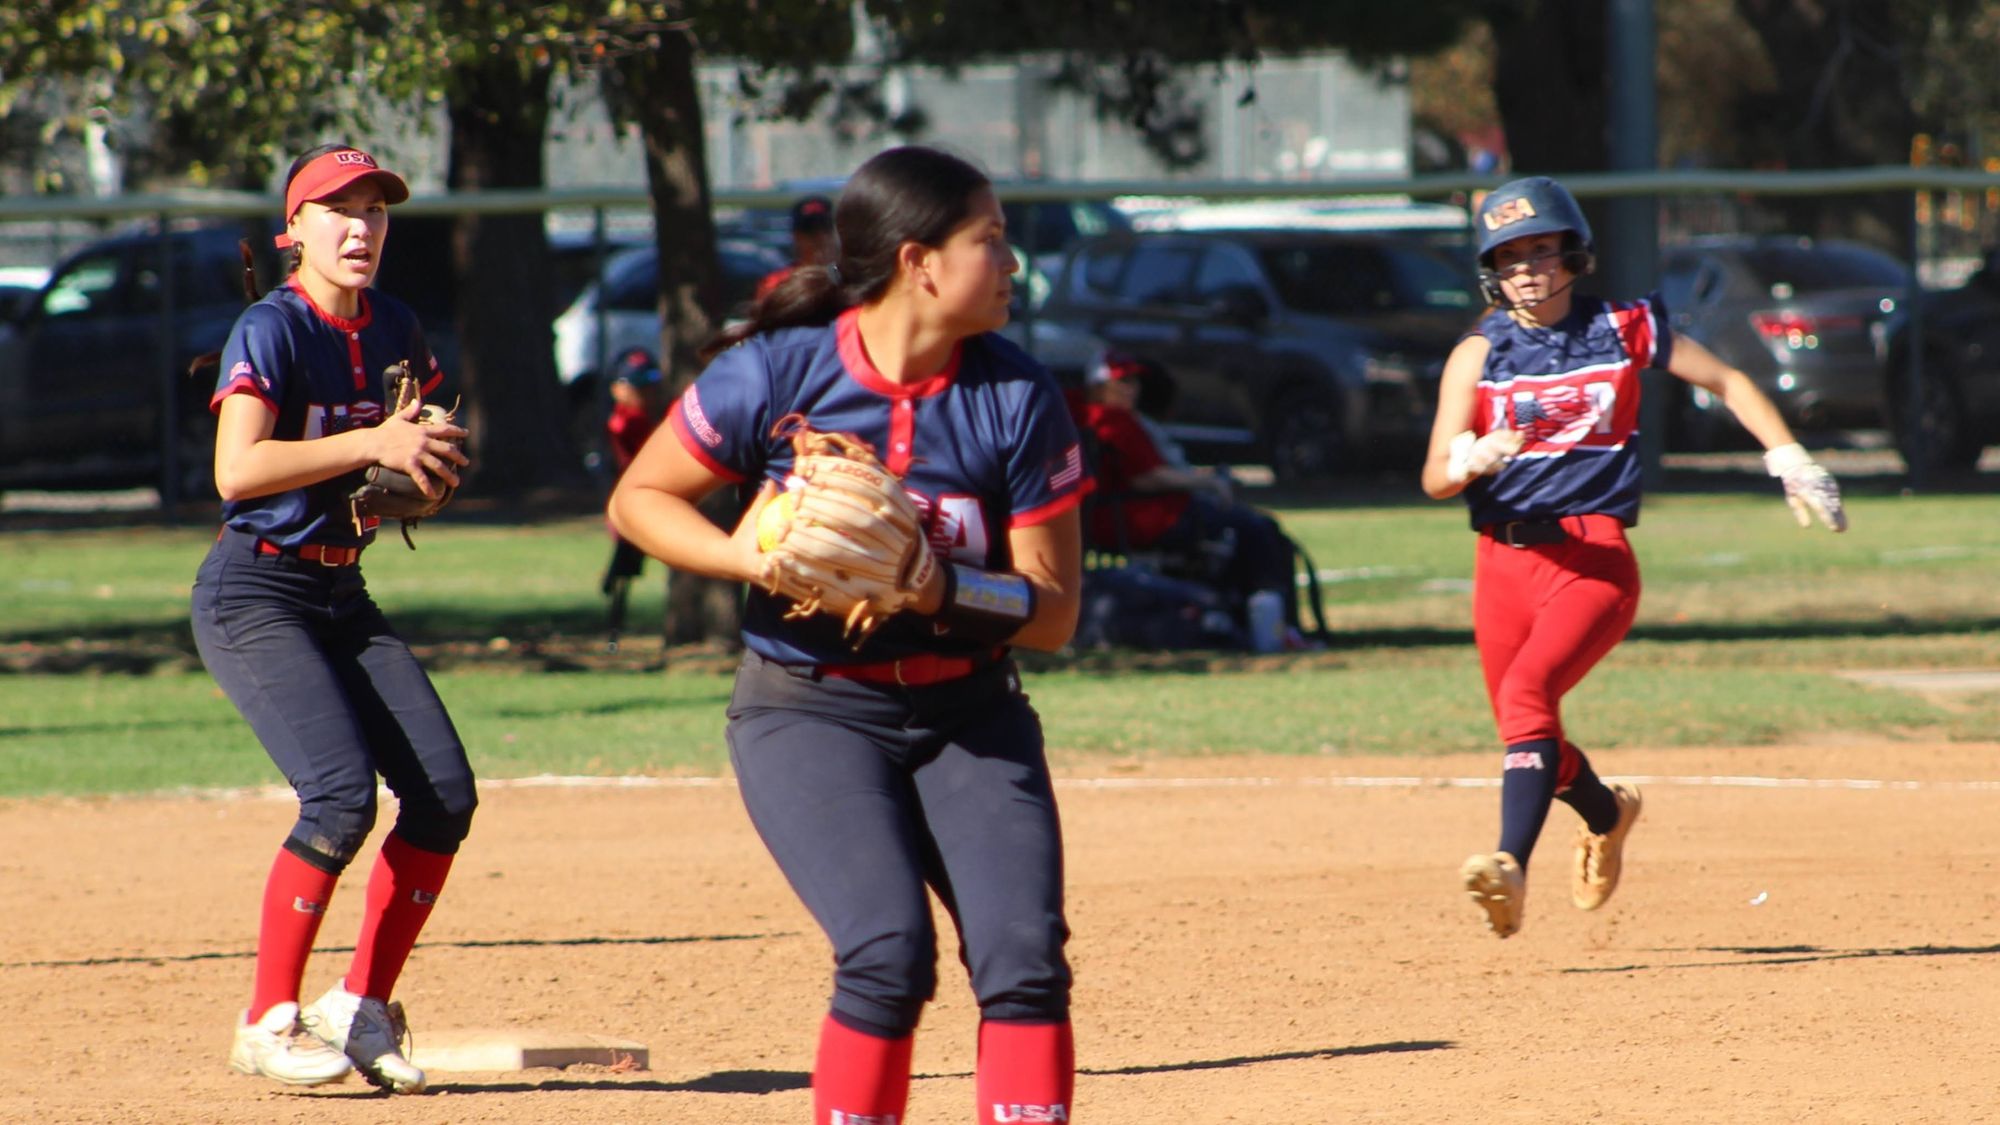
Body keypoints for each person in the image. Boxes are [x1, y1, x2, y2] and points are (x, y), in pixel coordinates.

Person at [610, 145, 1085, 1125]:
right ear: (919, 263)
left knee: (1025, 961)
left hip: (969, 712)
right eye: (988, 241)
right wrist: (754, 560)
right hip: (810, 711)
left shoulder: (1016, 396)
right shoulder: (776, 375)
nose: (1009, 264)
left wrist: (934, 587)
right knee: (884, 954)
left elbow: (1053, 613)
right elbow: (639, 498)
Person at [1422, 175, 1847, 940]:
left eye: (1541, 249)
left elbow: (1726, 377)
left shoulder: (1623, 325)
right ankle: (1607, 812)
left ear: (1573, 253)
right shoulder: (1478, 350)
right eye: (1509, 255)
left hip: (1594, 555)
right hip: (1502, 562)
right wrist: (1470, 462)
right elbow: (1431, 477)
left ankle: (1508, 865)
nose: (1526, 267)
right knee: (1528, 729)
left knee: (1526, 697)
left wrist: (1789, 456)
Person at [190, 142, 475, 1091]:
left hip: (340, 589)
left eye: (377, 211)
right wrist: (375, 438)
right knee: (341, 796)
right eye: (338, 210)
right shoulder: (271, 327)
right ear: (295, 230)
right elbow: (238, 471)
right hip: (256, 589)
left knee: (442, 796)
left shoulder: (395, 324)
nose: (361, 228)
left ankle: (358, 1005)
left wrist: (421, 462)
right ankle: (267, 1019)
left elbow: (400, 450)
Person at [1076, 349, 1302, 648]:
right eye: (1122, 382)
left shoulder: (1090, 414)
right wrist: (1207, 482)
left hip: (1125, 513)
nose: (1132, 388)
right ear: (1099, 386)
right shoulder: (1111, 419)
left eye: (1134, 381)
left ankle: (1251, 620)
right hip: (1141, 517)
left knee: (1249, 528)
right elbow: (1148, 478)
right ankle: (1273, 627)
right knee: (1257, 529)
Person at [599, 346, 668, 650]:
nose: (648, 393)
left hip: (649, 503)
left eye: (651, 386)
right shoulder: (623, 422)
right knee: (625, 568)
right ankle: (614, 631)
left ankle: (615, 625)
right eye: (639, 386)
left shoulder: (650, 418)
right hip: (631, 507)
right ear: (618, 389)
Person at [754, 192, 838, 300]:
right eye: (810, 232)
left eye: (825, 230)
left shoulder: (851, 281)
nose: (820, 238)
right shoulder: (777, 285)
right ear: (796, 237)